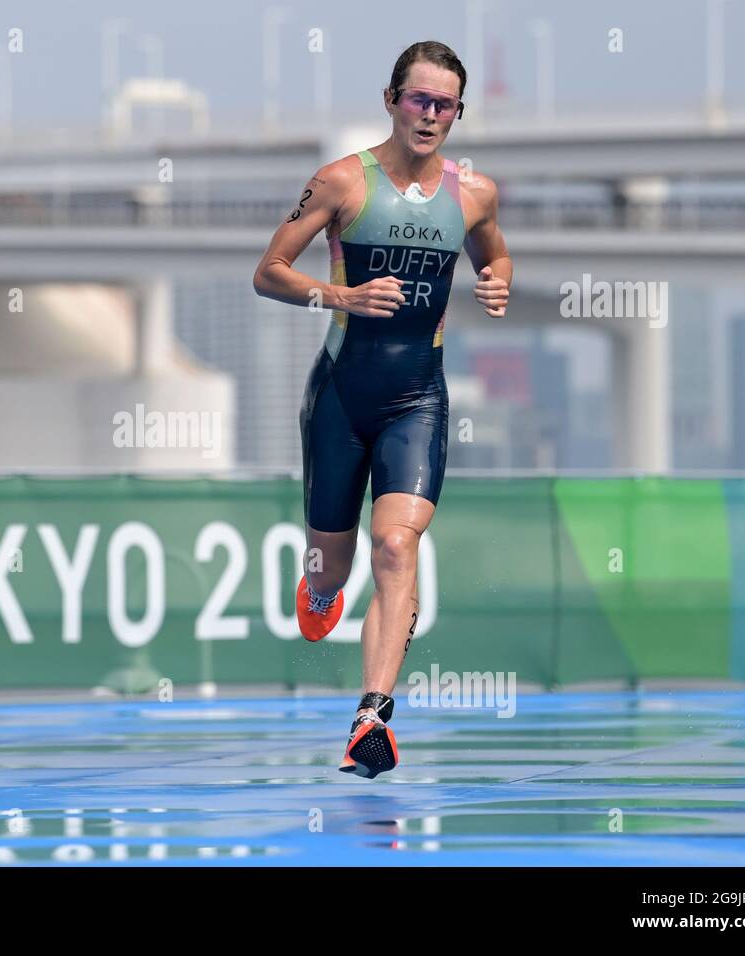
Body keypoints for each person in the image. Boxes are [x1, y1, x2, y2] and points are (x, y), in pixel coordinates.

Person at [252, 40, 512, 778]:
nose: (430, 116)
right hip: (339, 396)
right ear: (392, 99)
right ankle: (319, 588)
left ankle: (373, 719)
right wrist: (339, 295)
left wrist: (496, 282)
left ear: (458, 113)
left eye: (445, 105)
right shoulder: (341, 183)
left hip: (417, 399)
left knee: (396, 547)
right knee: (331, 572)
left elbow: (496, 255)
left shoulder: (475, 194)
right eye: (418, 99)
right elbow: (267, 273)